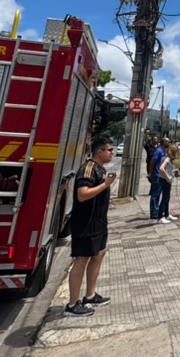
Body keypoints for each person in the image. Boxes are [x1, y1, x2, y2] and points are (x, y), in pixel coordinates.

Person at [65, 135, 117, 316]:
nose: (113, 153)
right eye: (109, 150)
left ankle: (90, 295)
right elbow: (82, 194)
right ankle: (72, 304)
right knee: (82, 259)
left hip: (99, 221)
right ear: (99, 151)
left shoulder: (100, 169)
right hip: (85, 223)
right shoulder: (88, 169)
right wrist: (105, 185)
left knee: (99, 254)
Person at [146, 135, 166, 221]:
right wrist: (150, 173)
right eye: (167, 141)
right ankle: (153, 213)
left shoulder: (163, 150)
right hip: (156, 175)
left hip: (161, 175)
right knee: (155, 194)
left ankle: (156, 211)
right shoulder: (158, 151)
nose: (168, 143)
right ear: (163, 142)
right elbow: (152, 161)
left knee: (158, 194)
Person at [157, 143, 178, 223]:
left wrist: (174, 171)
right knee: (165, 198)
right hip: (164, 180)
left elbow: (167, 170)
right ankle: (160, 217)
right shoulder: (167, 159)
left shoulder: (168, 159)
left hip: (166, 181)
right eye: (175, 153)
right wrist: (167, 178)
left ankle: (166, 214)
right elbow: (161, 169)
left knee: (167, 197)